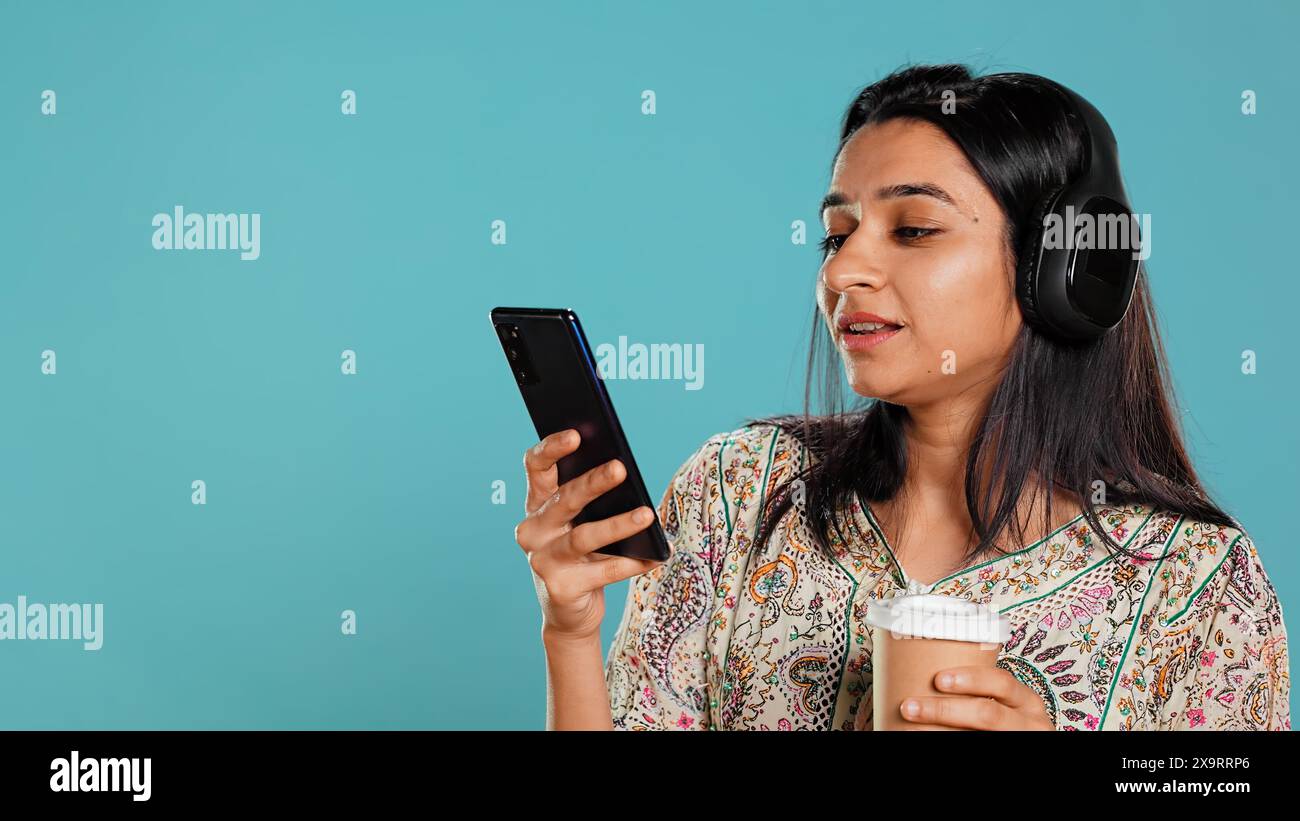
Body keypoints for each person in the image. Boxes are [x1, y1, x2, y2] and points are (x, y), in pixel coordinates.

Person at [514, 64, 1291, 731]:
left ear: (1065, 270)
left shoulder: (1195, 582)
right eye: (836, 232)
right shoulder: (737, 492)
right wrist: (570, 631)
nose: (843, 270)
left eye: (914, 228)